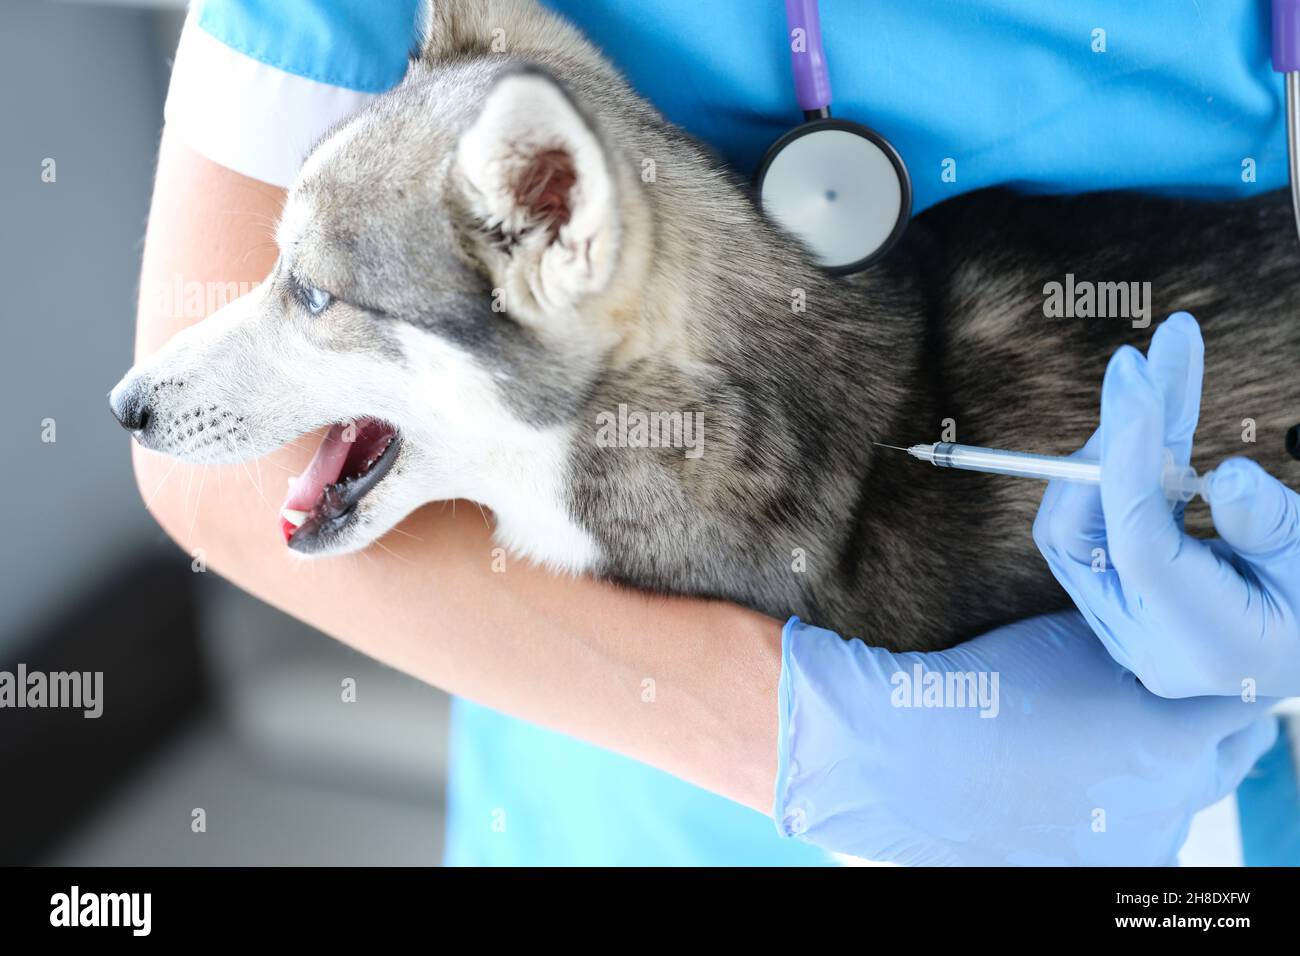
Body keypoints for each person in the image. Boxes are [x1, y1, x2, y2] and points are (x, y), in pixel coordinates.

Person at [136, 0, 1294, 865]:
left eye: (317, 299)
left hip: (1201, 805)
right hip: (624, 801)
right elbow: (214, 479)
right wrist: (787, 735)